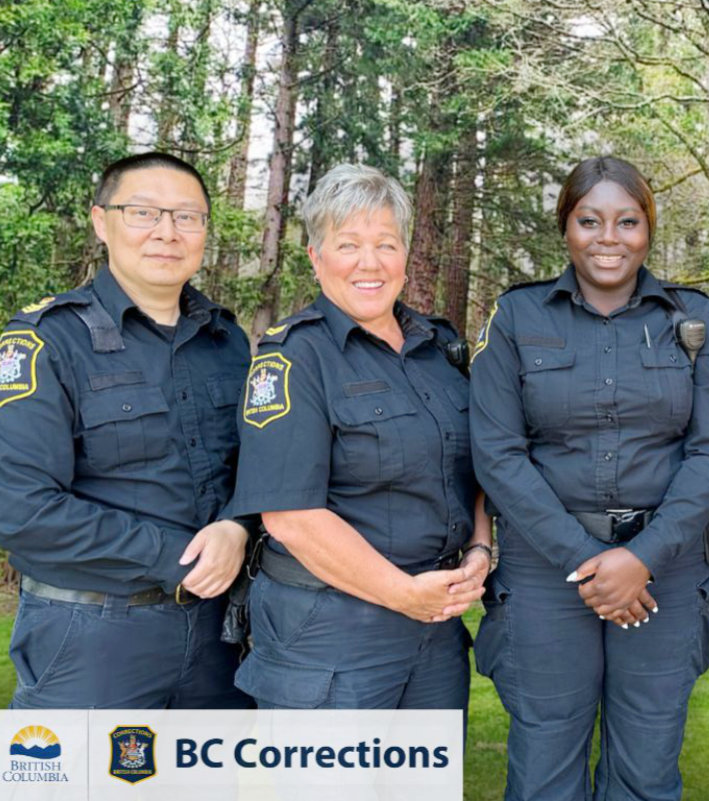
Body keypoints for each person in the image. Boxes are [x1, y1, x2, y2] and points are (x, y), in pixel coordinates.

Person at [470, 156, 709, 801]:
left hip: (663, 572)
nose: (608, 238)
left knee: (646, 770)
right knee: (544, 771)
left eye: (628, 221)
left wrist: (641, 558)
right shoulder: (516, 317)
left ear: (649, 229)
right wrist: (590, 564)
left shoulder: (694, 319)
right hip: (545, 571)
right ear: (566, 226)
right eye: (589, 221)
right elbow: (498, 454)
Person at [230, 163, 489, 710]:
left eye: (385, 244)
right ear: (315, 256)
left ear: (405, 255)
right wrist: (404, 594)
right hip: (330, 636)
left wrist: (480, 550)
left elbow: (477, 467)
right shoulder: (293, 358)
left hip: (435, 630)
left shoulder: (438, 350)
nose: (369, 263)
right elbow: (291, 517)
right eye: (347, 245)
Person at [0, 152, 252, 708]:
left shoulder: (227, 342)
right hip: (91, 637)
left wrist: (237, 526)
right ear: (101, 221)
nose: (167, 232)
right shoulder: (45, 342)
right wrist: (176, 557)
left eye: (187, 217)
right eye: (143, 212)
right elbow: (19, 508)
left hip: (218, 639)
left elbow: (255, 467)